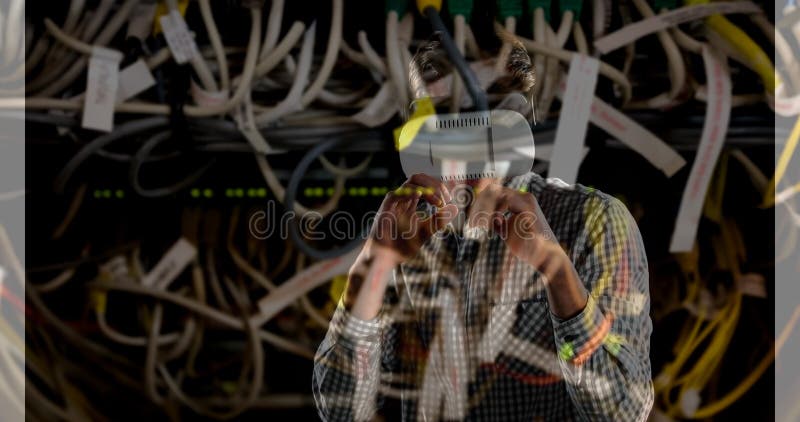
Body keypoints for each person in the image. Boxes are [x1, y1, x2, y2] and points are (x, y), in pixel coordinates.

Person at [312, 33, 654, 422]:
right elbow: (340, 412)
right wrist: (374, 264)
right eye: (448, 117)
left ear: (525, 121)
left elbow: (623, 413)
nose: (468, 137)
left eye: (490, 113)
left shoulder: (593, 222)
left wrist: (557, 273)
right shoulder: (405, 231)